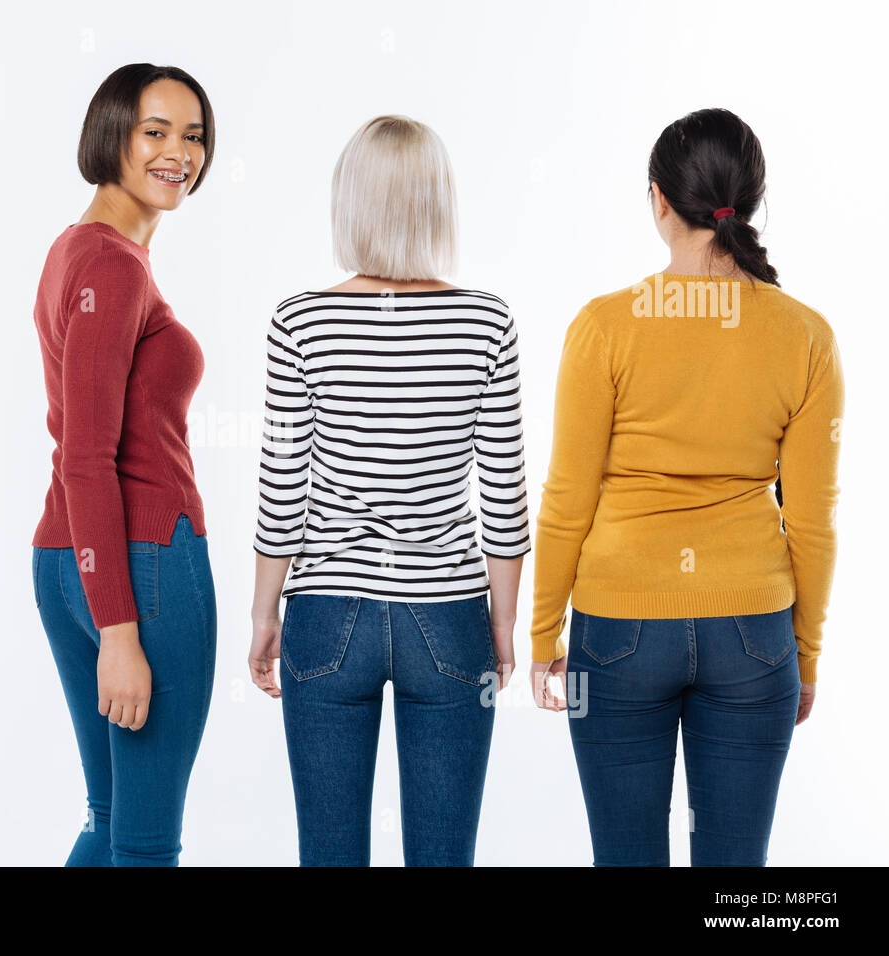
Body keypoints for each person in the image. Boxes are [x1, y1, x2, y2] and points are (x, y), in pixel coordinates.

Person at [530, 108, 844, 866]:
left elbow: (567, 497)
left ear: (659, 201)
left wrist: (544, 638)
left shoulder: (605, 327)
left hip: (618, 628)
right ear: (750, 201)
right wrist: (803, 655)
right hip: (753, 632)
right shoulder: (805, 336)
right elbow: (812, 521)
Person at [248, 115, 529, 866]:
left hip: (326, 614)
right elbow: (505, 495)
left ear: (351, 203)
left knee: (329, 854)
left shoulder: (299, 321)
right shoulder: (487, 320)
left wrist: (263, 612)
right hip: (449, 615)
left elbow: (282, 484)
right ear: (438, 203)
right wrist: (502, 625)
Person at [30, 63, 217, 866]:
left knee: (112, 822)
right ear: (112, 136)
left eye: (195, 135)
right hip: (137, 568)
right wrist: (118, 628)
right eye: (156, 132)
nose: (180, 152)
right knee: (143, 842)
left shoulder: (80, 249)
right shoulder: (110, 265)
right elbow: (86, 454)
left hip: (67, 558)